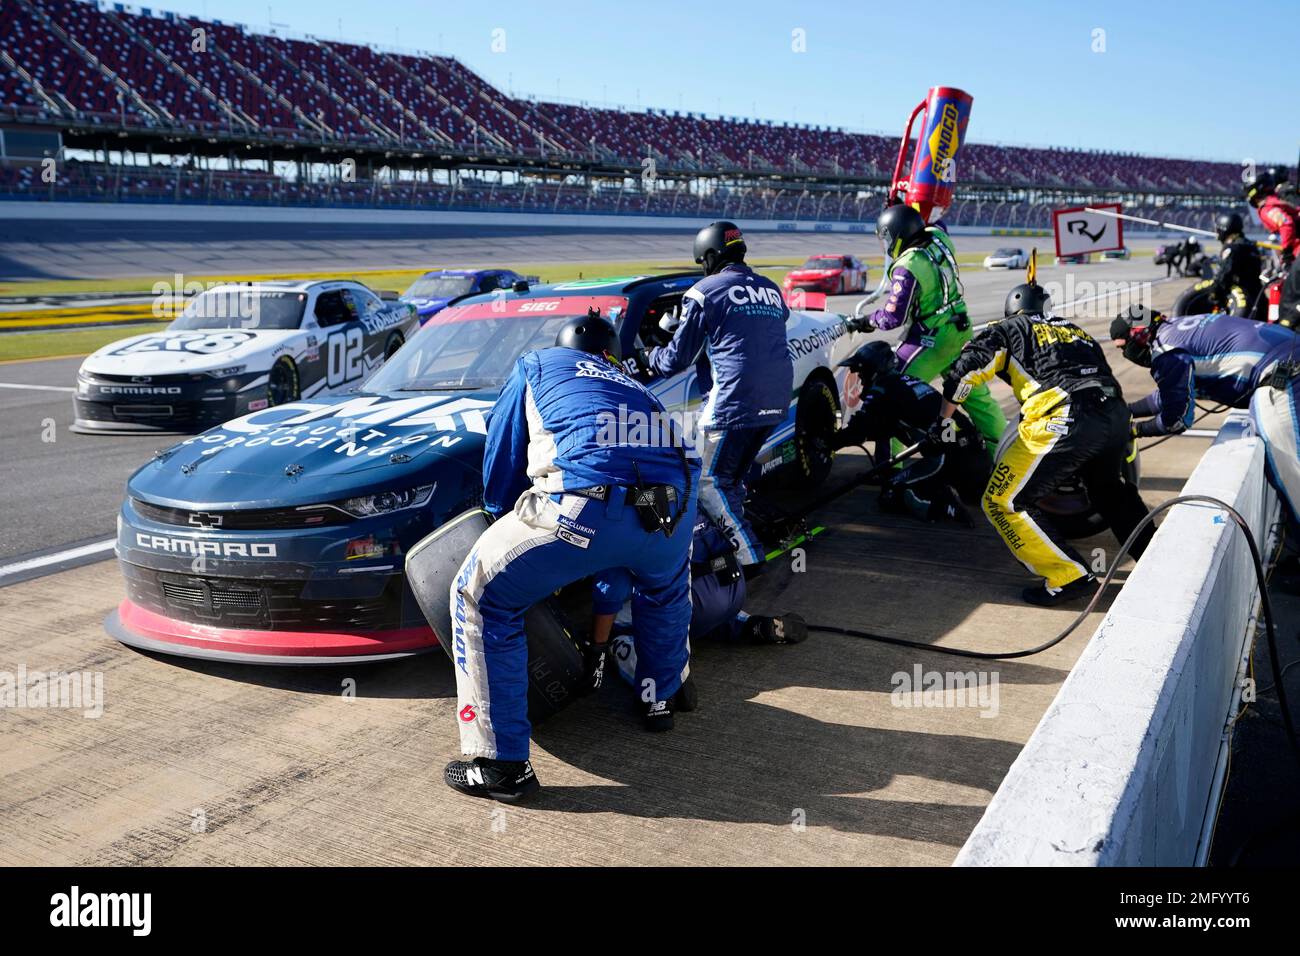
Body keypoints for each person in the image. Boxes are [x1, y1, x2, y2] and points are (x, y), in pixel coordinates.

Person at [444, 311, 699, 803]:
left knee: (478, 596)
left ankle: (500, 765)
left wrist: (499, 520)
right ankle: (663, 696)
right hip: (672, 511)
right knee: (665, 592)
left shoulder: (539, 363)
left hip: (584, 505)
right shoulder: (634, 384)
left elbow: (502, 453)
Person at [939, 281, 1154, 606]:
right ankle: (1157, 563)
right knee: (1110, 493)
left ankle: (1068, 576)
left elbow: (964, 371)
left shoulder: (1007, 328)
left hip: (1065, 415)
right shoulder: (1075, 330)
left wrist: (943, 420)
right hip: (1114, 413)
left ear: (1011, 309)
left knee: (1002, 501)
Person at [637, 221, 792, 568]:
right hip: (777, 400)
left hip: (732, 403)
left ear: (709, 255)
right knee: (729, 480)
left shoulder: (703, 291)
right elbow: (756, 331)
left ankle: (748, 555)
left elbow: (675, 360)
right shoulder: (771, 289)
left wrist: (650, 356)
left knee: (706, 480)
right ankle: (737, 537)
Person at [1111, 306, 1300, 530]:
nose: (1125, 355)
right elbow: (1171, 393)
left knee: (1291, 476)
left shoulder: (1167, 350)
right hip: (1289, 356)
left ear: (1138, 335)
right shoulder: (1178, 329)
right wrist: (1127, 411)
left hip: (1282, 377)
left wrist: (1134, 430)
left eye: (1123, 347)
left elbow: (1177, 419)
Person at [848, 204, 1007, 453]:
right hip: (961, 331)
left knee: (890, 391)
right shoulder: (939, 239)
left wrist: (866, 321)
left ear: (899, 235)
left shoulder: (908, 266)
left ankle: (891, 466)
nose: (886, 244)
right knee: (977, 397)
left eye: (887, 237)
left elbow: (892, 317)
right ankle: (1002, 453)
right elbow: (937, 223)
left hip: (931, 341)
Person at [591, 513, 810, 690]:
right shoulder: (685, 479)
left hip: (688, 599)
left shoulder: (623, 505)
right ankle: (753, 625)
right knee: (706, 609)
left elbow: (611, 587)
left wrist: (597, 642)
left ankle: (659, 683)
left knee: (616, 630)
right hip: (729, 586)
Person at [833, 340, 991, 524]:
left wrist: (828, 442)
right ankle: (951, 487)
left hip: (948, 457)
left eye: (861, 372)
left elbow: (857, 431)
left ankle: (943, 504)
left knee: (890, 494)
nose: (859, 377)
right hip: (976, 452)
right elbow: (882, 428)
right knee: (973, 494)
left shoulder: (881, 389)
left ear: (873, 370)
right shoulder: (908, 381)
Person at [1247, 170, 1300, 326]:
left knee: (1284, 294)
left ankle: (1278, 331)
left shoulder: (1267, 208)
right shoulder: (1279, 201)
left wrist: (1287, 251)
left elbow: (1286, 224)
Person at [1207, 212, 1263, 314]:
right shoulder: (1249, 245)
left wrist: (1214, 293)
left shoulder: (1233, 248)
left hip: (1243, 298)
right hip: (1257, 296)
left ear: (1224, 229)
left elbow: (1224, 273)